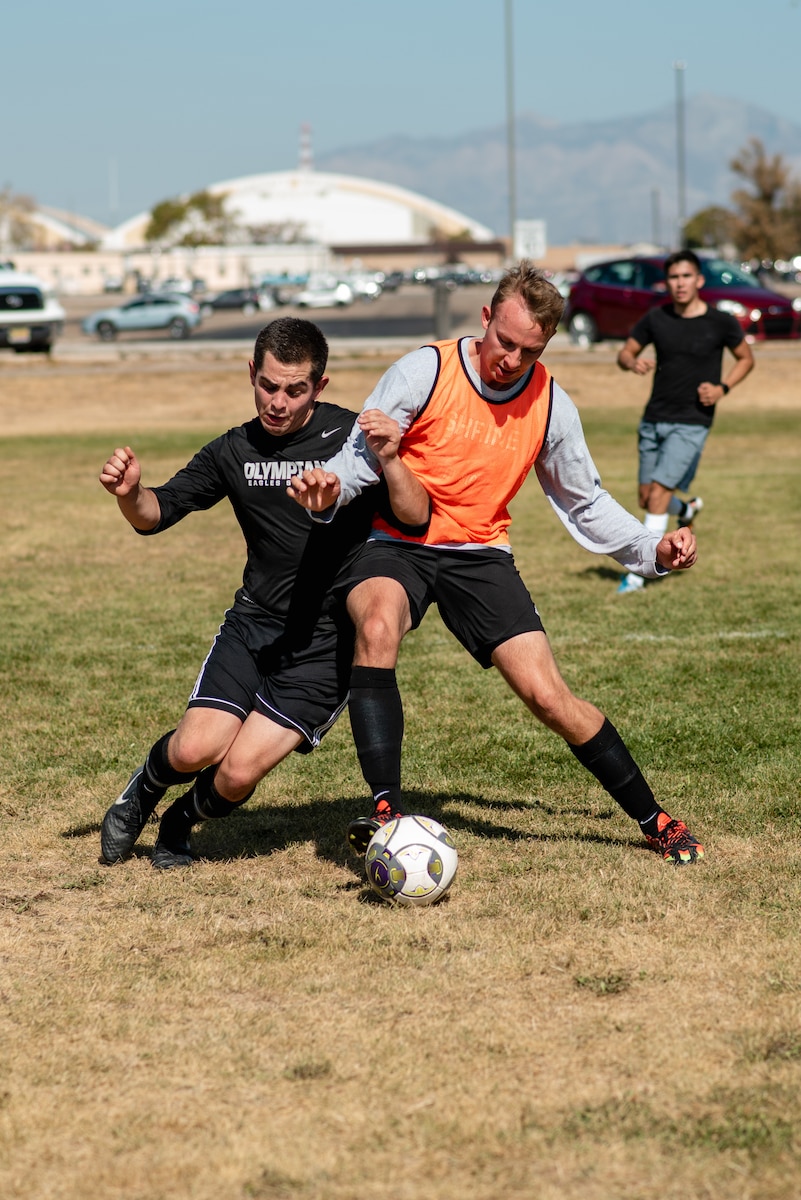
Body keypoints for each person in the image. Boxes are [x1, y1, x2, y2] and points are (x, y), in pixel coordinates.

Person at [288, 261, 705, 867]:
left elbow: (584, 501)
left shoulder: (550, 405)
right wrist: (328, 492)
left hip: (480, 552)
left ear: (546, 346)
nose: (509, 359)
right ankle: (386, 813)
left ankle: (655, 819)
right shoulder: (422, 371)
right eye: (503, 341)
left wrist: (652, 551)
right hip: (397, 544)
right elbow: (359, 460)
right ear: (485, 318)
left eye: (527, 351)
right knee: (377, 626)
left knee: (547, 697)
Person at [98, 317, 428, 870]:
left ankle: (180, 822)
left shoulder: (353, 439)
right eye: (268, 385)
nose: (278, 402)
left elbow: (417, 517)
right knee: (194, 749)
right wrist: (130, 494)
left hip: (326, 645)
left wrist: (386, 461)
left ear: (319, 387)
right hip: (254, 626)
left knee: (236, 773)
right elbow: (156, 513)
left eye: (295, 389)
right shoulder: (233, 449)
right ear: (252, 374)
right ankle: (144, 790)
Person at [614, 249, 754, 595]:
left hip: (692, 421)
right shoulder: (656, 318)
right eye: (674, 277)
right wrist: (632, 362)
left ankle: (640, 573)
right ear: (668, 282)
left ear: (699, 280)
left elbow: (746, 359)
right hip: (654, 418)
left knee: (660, 493)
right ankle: (687, 508)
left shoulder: (721, 321)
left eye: (686, 276)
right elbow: (624, 353)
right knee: (648, 498)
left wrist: (723, 387)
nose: (680, 283)